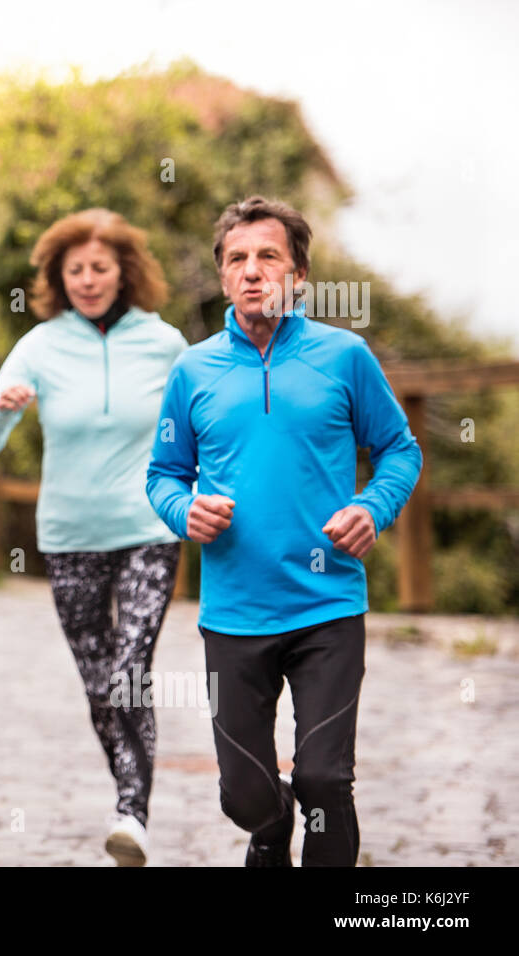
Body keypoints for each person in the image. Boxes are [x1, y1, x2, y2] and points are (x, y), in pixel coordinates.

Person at [146, 195, 422, 866]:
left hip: (327, 606)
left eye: (268, 256)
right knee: (246, 797)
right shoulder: (193, 370)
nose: (252, 271)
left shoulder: (344, 356)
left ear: (298, 274)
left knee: (326, 780)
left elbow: (400, 449)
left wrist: (372, 507)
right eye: (237, 259)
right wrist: (183, 511)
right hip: (235, 613)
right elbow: (163, 473)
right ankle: (270, 832)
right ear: (221, 277)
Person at [0, 209, 188, 866]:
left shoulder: (165, 342)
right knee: (100, 687)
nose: (88, 280)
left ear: (125, 272)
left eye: (100, 268)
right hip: (69, 537)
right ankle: (129, 794)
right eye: (75, 271)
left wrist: (202, 491)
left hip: (150, 527)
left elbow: (203, 427)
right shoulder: (40, 345)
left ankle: (132, 811)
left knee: (128, 671)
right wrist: (3, 413)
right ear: (58, 279)